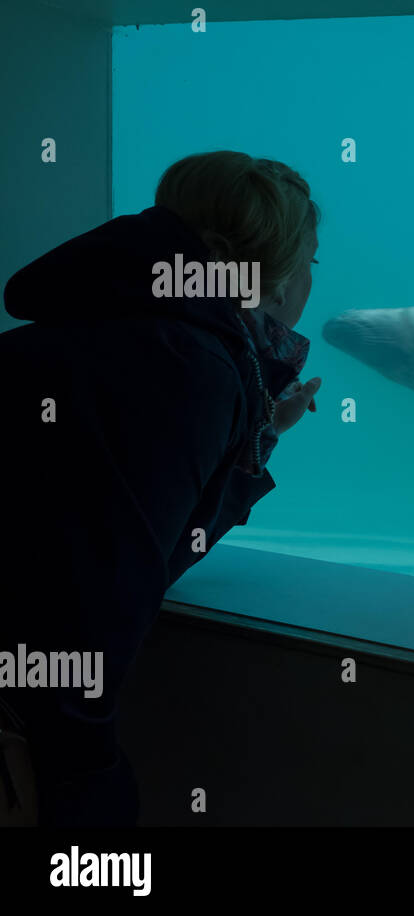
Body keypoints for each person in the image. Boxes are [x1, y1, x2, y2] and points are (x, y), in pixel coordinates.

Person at [0, 151, 323, 826]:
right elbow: (108, 582)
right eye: (311, 261)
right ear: (279, 270)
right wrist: (82, 778)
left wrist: (259, 434)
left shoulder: (98, 325)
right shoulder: (190, 368)